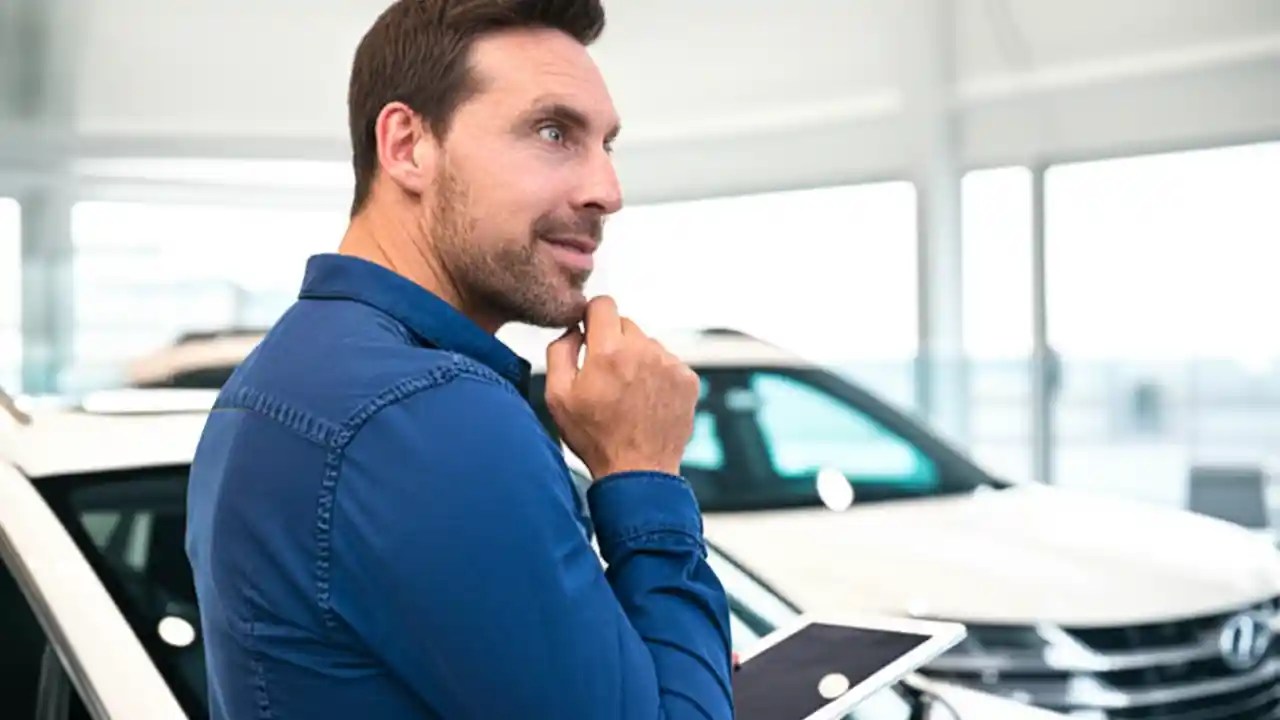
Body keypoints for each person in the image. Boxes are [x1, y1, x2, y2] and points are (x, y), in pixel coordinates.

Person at [184, 1, 734, 719]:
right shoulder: (428, 413)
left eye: (607, 144)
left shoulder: (281, 375)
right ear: (408, 145)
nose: (607, 191)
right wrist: (644, 473)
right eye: (553, 132)